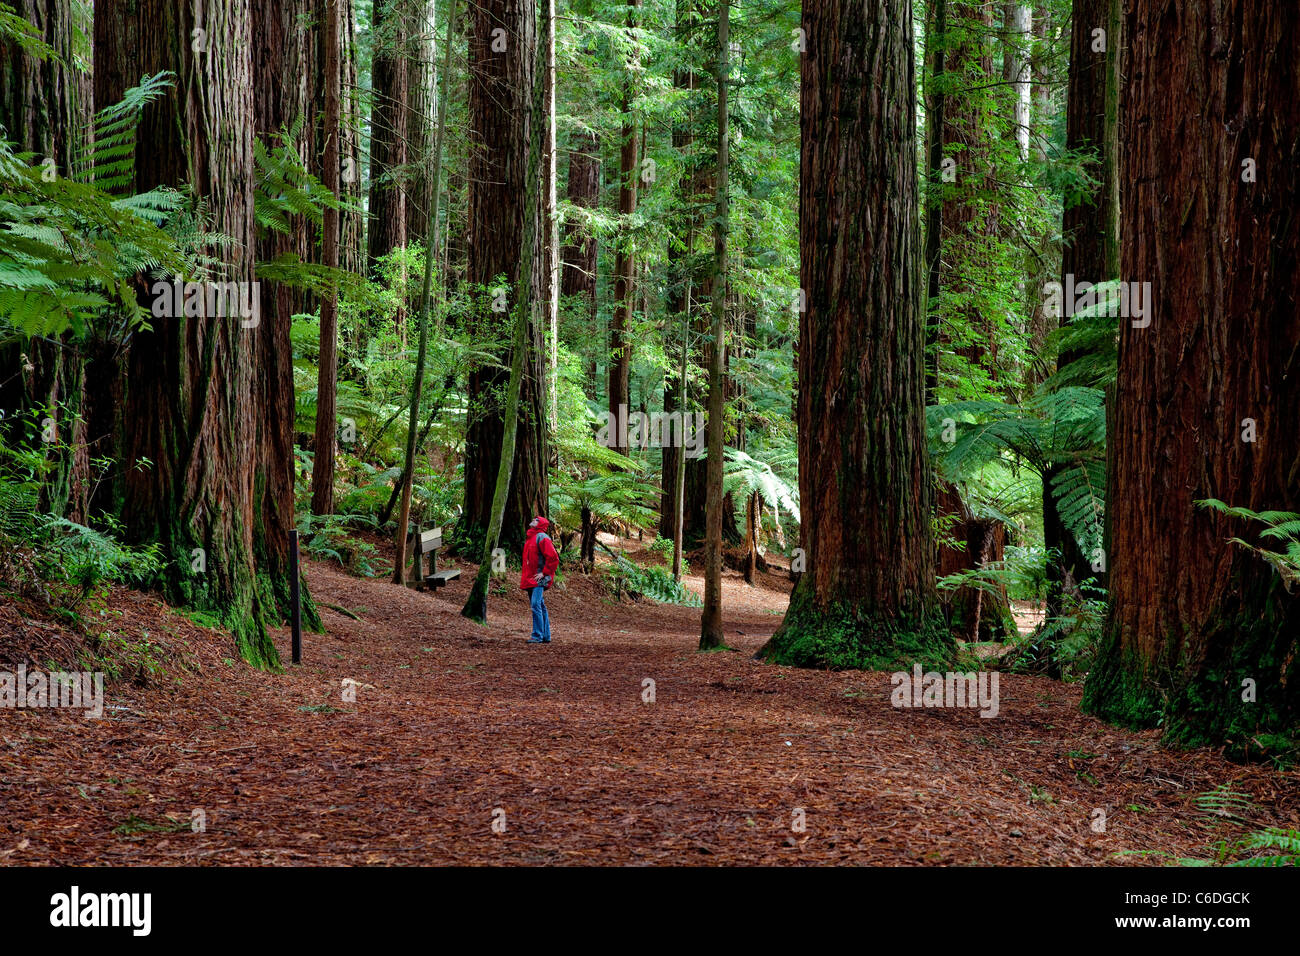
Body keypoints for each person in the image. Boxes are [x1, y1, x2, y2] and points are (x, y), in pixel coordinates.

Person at [520, 515, 559, 644]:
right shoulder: (530, 537)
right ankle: (546, 636)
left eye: (536, 520)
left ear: (540, 524)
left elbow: (553, 558)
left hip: (538, 578)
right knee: (540, 605)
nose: (533, 520)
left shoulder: (542, 538)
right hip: (530, 577)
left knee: (536, 604)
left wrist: (545, 573)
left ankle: (537, 635)